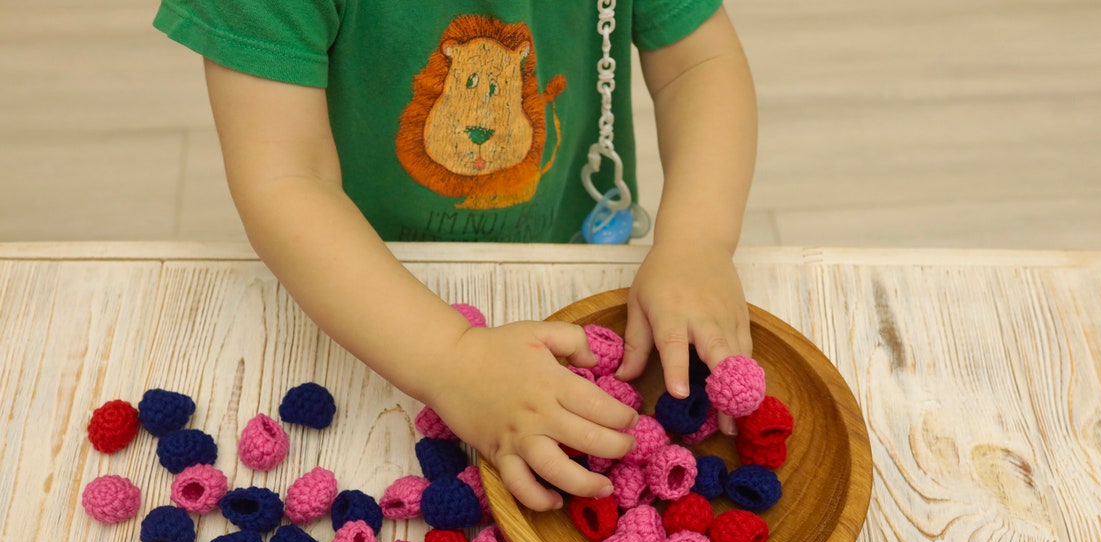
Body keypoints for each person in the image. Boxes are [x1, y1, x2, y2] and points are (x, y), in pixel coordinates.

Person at [153, 1, 757, 512]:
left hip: (573, 256)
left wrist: (697, 241)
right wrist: (451, 359)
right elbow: (285, 177)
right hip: (360, 282)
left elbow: (697, 64)